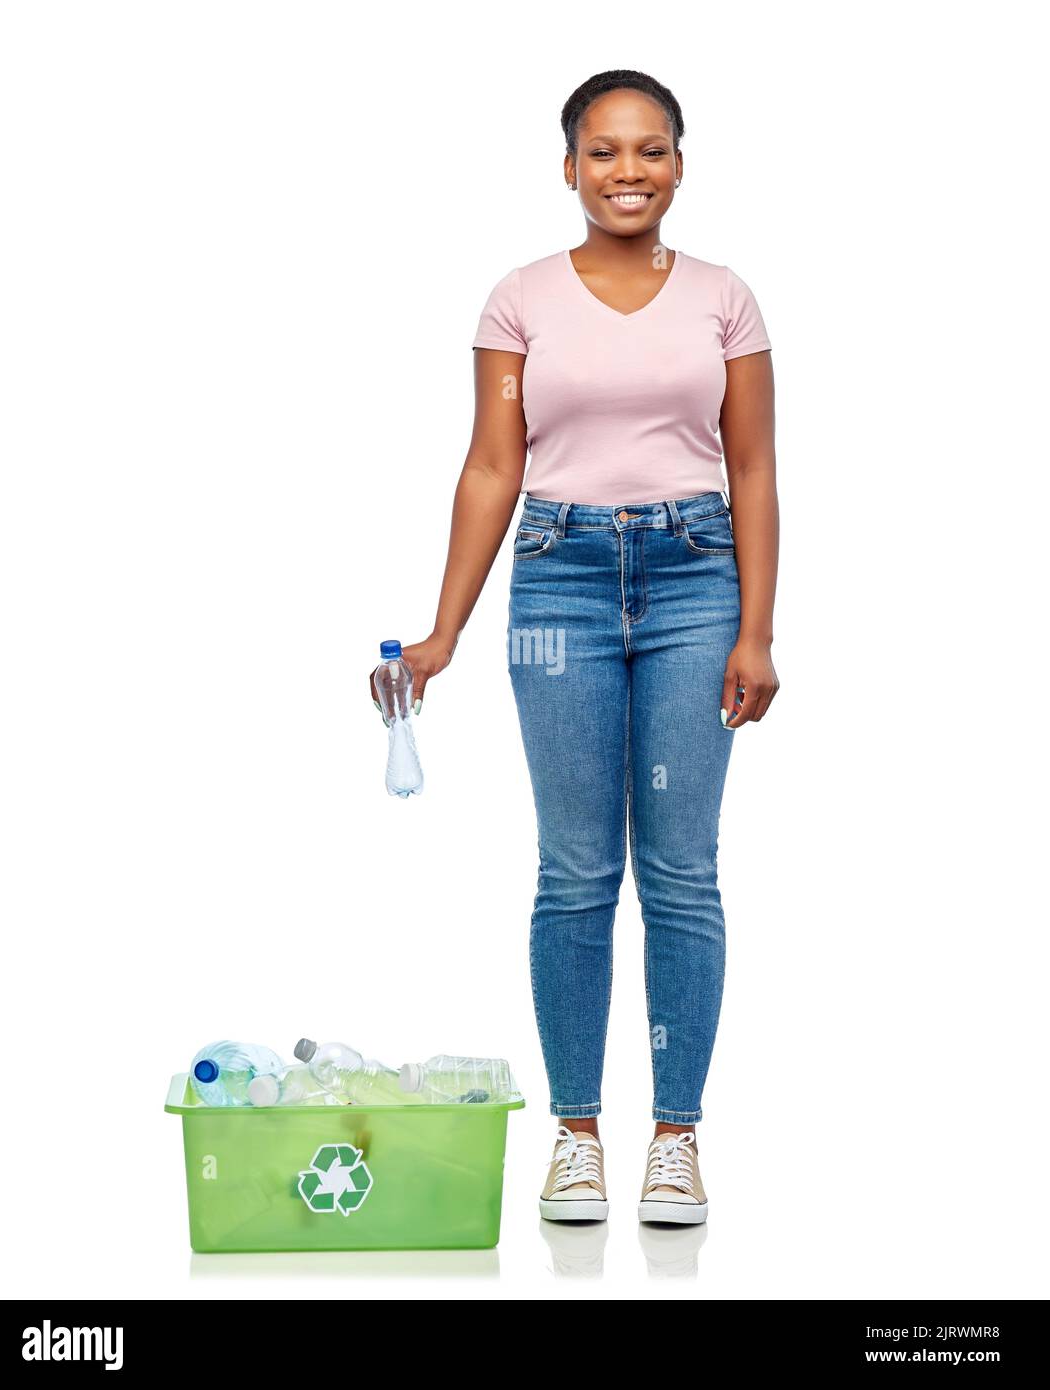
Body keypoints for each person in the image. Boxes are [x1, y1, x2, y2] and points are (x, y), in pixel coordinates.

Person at [370, 69, 779, 1224]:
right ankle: (578, 1134)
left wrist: (756, 626)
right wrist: (442, 627)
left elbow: (750, 468)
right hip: (559, 581)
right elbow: (493, 464)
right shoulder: (517, 302)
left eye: (650, 150)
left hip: (700, 577)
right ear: (569, 168)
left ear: (681, 164)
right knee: (575, 869)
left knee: (682, 870)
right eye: (603, 152)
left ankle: (677, 1139)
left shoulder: (723, 298)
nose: (628, 171)